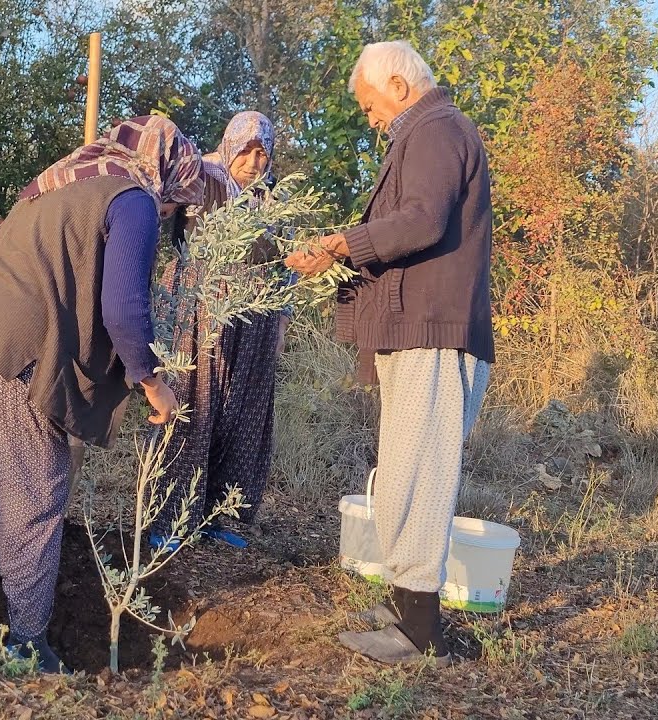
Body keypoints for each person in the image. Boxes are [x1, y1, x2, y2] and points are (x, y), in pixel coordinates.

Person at [0, 116, 205, 673]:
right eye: (179, 203)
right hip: (11, 346)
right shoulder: (135, 200)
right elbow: (125, 311)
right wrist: (153, 382)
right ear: (170, 176)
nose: (173, 213)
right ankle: (28, 646)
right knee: (34, 497)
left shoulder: (65, 178)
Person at [286, 41, 495, 665]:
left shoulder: (436, 132)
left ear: (399, 86)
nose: (371, 117)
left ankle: (420, 631)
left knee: (422, 473)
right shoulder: (428, 133)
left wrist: (342, 243)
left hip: (434, 330)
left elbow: (422, 222)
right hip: (418, 330)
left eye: (371, 105)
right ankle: (407, 606)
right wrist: (339, 250)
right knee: (404, 469)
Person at [150, 111, 288, 551]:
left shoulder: (273, 200)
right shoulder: (206, 175)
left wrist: (281, 318)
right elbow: (169, 206)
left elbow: (285, 266)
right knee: (194, 401)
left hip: (256, 317)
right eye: (245, 150)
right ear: (230, 145)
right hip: (200, 305)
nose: (252, 161)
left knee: (243, 409)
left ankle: (219, 514)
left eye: (261, 153)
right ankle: (169, 516)